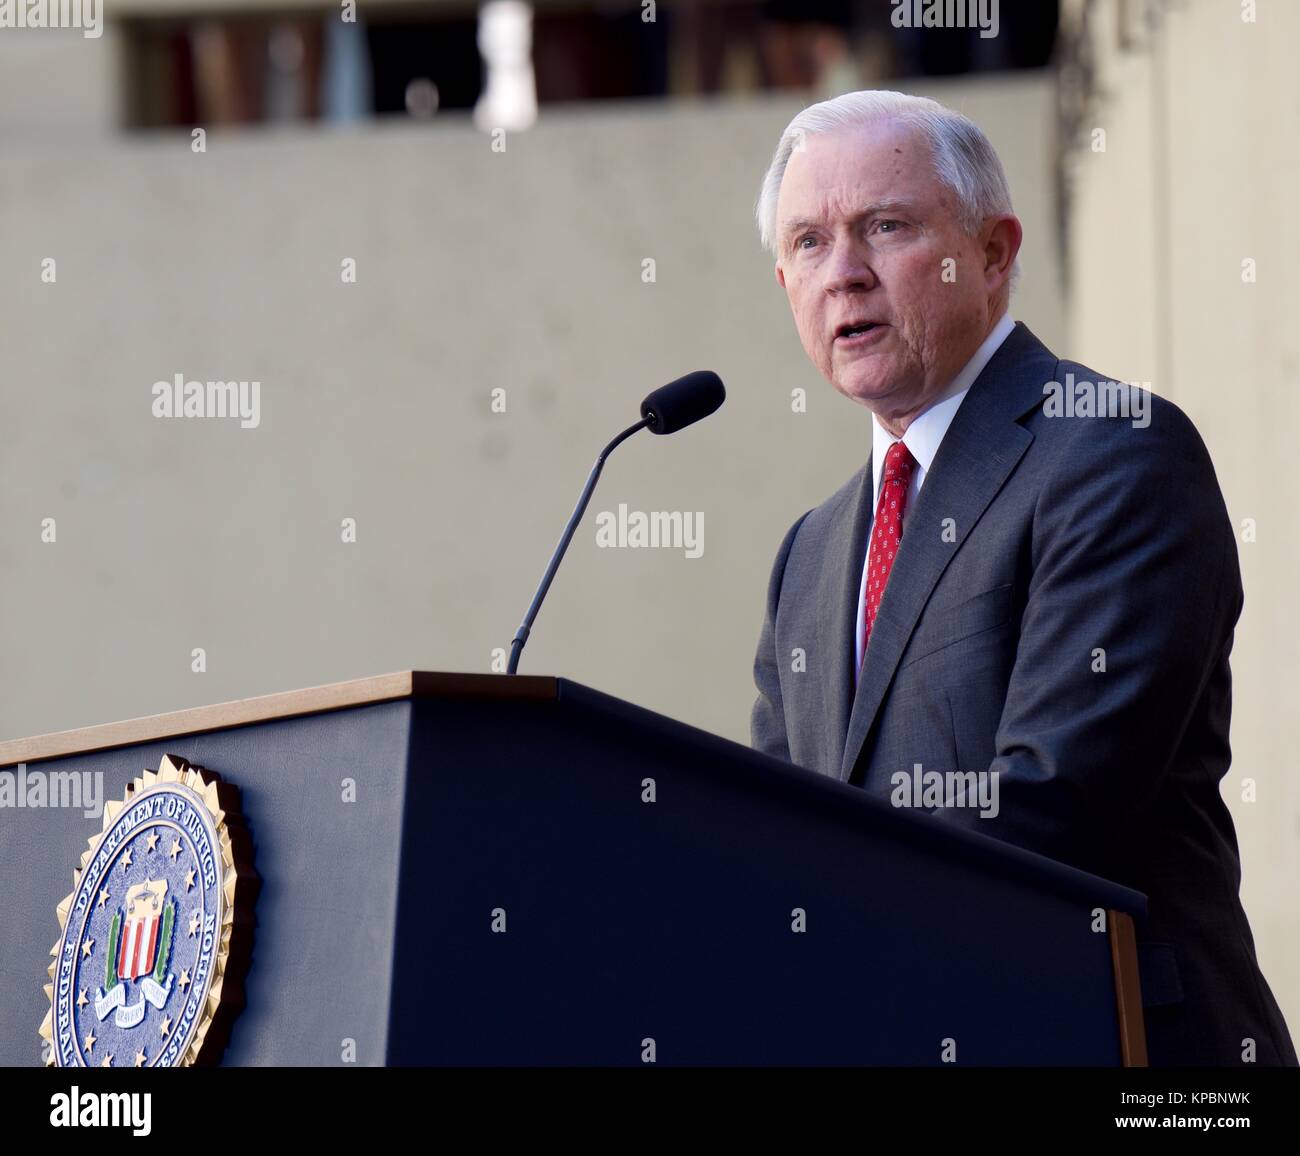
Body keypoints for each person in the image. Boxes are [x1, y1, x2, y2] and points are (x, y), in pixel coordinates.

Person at [749, 89, 1296, 1067]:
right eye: (807, 242)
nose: (844, 274)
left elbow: (1049, 803)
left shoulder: (1111, 453)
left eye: (885, 226)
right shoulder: (812, 551)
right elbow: (771, 832)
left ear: (993, 253)